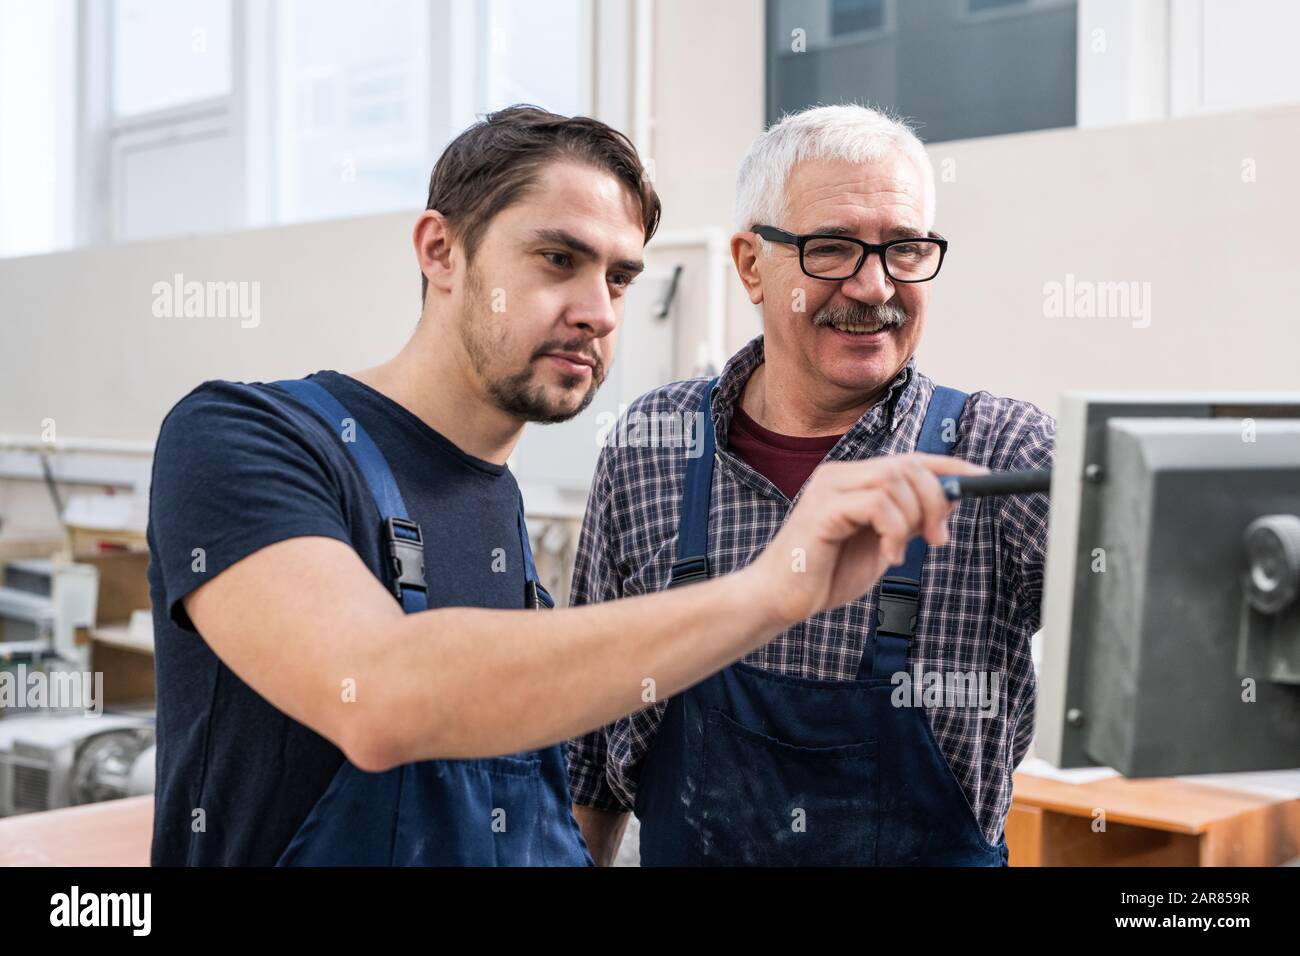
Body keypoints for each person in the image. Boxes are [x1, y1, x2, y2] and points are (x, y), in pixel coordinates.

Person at [146, 104, 984, 866]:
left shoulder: (496, 507)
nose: (600, 310)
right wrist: (772, 589)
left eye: (619, 278)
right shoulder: (243, 438)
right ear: (441, 250)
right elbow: (382, 696)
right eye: (558, 260)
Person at [568, 104, 1055, 866]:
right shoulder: (650, 447)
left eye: (904, 249)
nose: (872, 286)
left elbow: (1163, 619)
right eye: (832, 248)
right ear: (751, 264)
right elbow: (592, 747)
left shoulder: (999, 456)